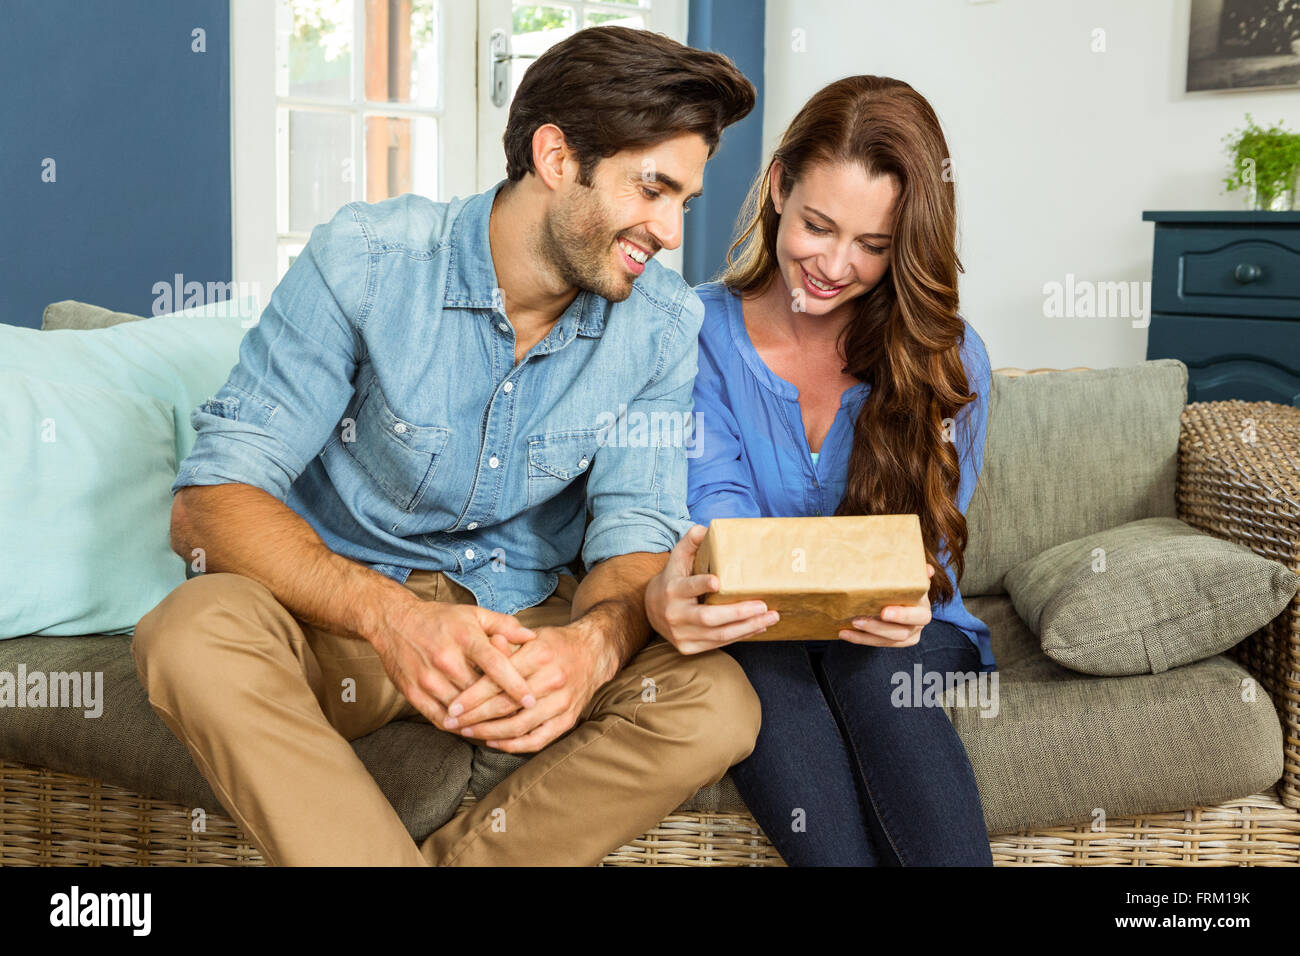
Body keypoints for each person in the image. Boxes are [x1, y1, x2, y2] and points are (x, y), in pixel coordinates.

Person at [132, 26, 759, 866]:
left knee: (716, 703)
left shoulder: (661, 324)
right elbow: (210, 503)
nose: (672, 231)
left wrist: (591, 646)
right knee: (190, 632)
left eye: (683, 200)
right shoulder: (367, 260)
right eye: (652, 189)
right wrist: (393, 619)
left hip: (522, 629)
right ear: (556, 157)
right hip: (344, 618)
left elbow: (634, 536)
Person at [646, 75, 998, 866]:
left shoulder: (946, 354)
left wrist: (910, 595)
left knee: (874, 671)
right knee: (767, 658)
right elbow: (723, 525)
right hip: (758, 627)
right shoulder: (696, 333)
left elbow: (929, 553)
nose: (836, 265)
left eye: (874, 246)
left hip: (901, 635)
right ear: (778, 188)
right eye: (818, 226)